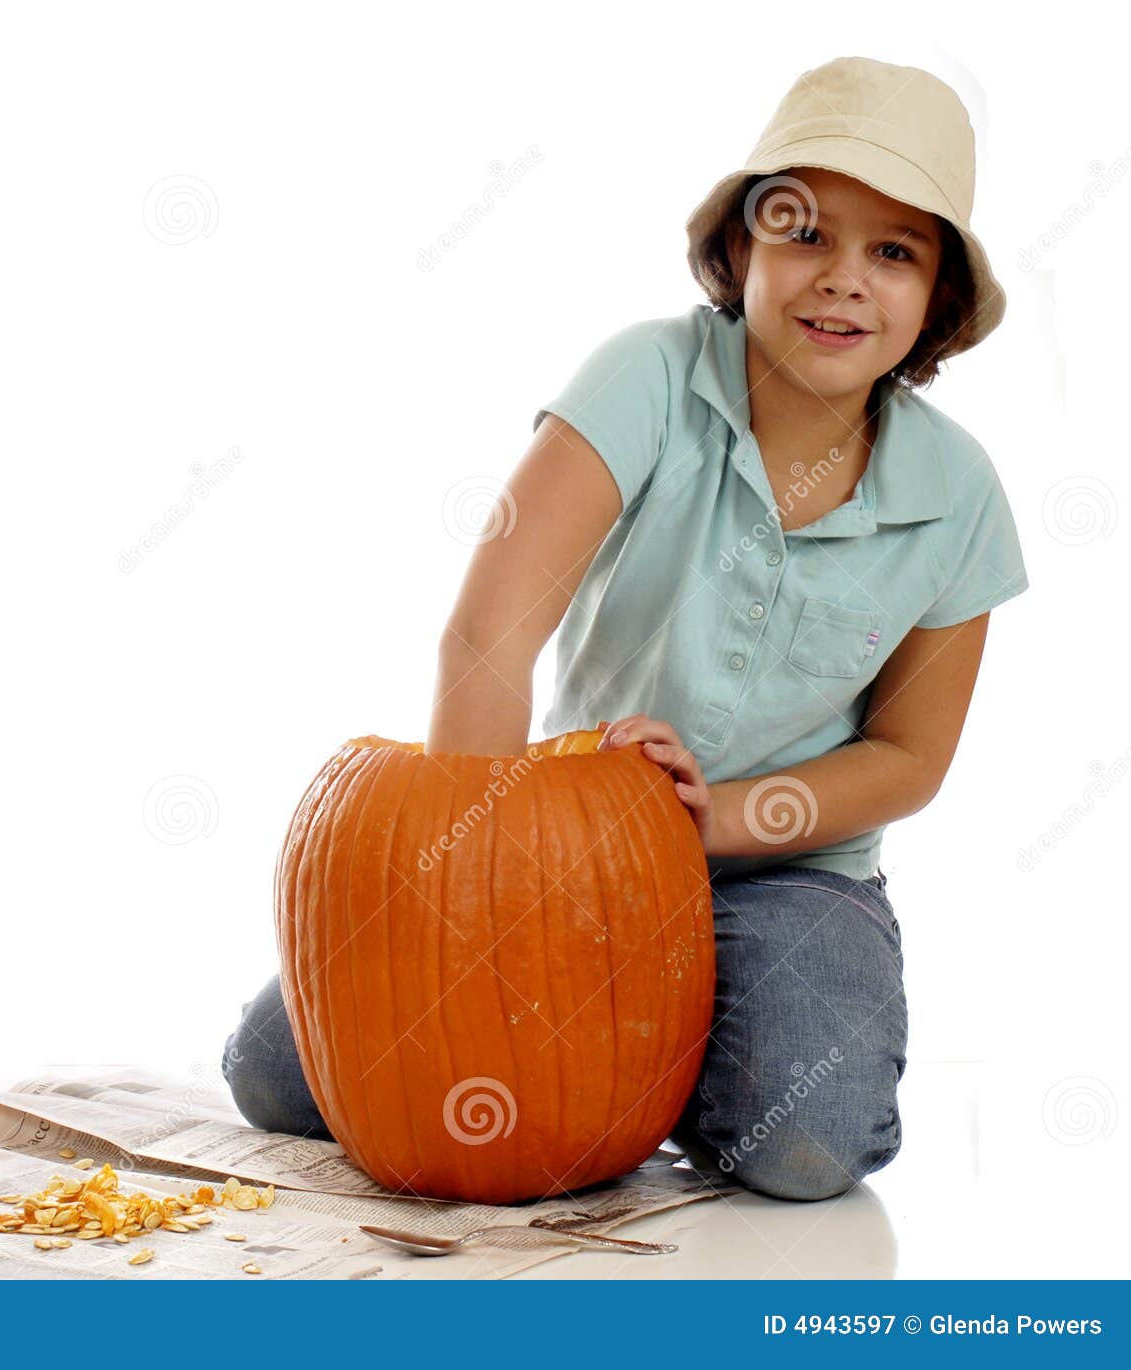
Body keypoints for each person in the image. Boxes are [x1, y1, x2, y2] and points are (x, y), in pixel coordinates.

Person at [222, 56, 1028, 1202]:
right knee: (276, 1077)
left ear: (937, 293)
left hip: (790, 876)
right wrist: (476, 898)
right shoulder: (647, 376)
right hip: (566, 858)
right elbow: (488, 635)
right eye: (802, 231)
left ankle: (653, 1061)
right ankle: (632, 1049)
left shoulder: (960, 494)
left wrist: (716, 818)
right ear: (740, 248)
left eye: (893, 252)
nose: (842, 279)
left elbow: (909, 756)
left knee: (801, 1144)